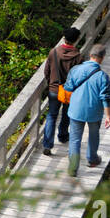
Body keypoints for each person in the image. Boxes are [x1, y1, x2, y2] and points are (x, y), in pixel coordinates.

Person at [63, 45, 110, 177]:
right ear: (102, 58)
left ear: (90, 55)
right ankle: (92, 159)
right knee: (93, 135)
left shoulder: (76, 70)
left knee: (75, 139)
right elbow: (106, 97)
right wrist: (108, 115)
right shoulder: (103, 76)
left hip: (76, 109)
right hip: (94, 111)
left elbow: (68, 87)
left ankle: (73, 168)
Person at [42, 26, 82, 156]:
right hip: (70, 91)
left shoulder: (53, 52)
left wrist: (51, 84)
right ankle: (63, 135)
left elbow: (46, 71)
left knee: (52, 115)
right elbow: (80, 76)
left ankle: (47, 144)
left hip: (54, 89)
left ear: (64, 38)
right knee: (67, 114)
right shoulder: (78, 57)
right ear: (76, 40)